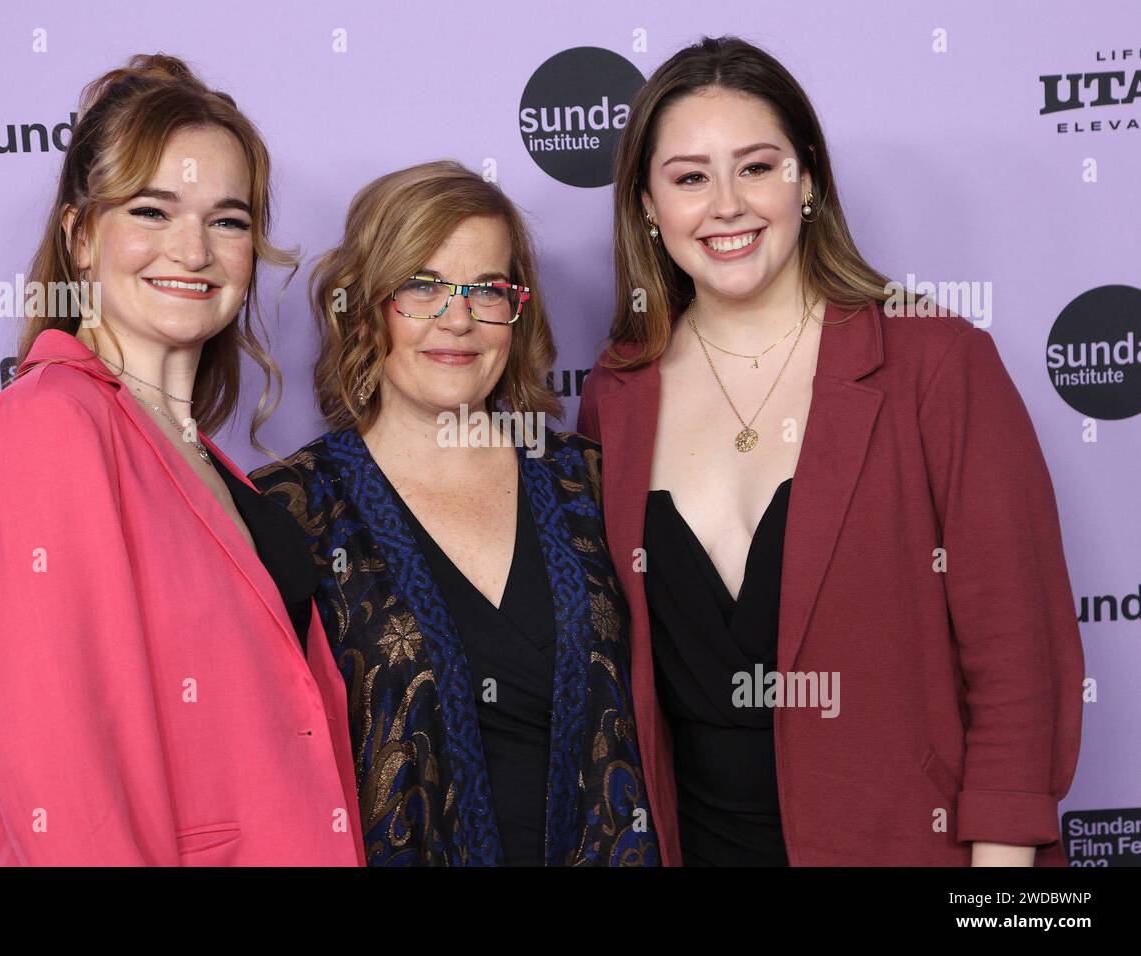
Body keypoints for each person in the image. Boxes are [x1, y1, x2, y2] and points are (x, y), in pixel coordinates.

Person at [577, 36, 1084, 866]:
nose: (728, 204)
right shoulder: (617, 394)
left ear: (807, 180)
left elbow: (1019, 659)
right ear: (646, 205)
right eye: (691, 177)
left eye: (758, 166)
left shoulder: (935, 362)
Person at [0, 54, 362, 865]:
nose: (193, 250)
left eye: (228, 220)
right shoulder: (46, 430)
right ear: (81, 236)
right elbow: (66, 798)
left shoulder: (200, 459)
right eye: (152, 211)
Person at [252, 161, 659, 866]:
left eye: (488, 290)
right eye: (423, 286)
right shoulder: (291, 510)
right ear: (365, 304)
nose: (460, 319)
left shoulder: (590, 482)